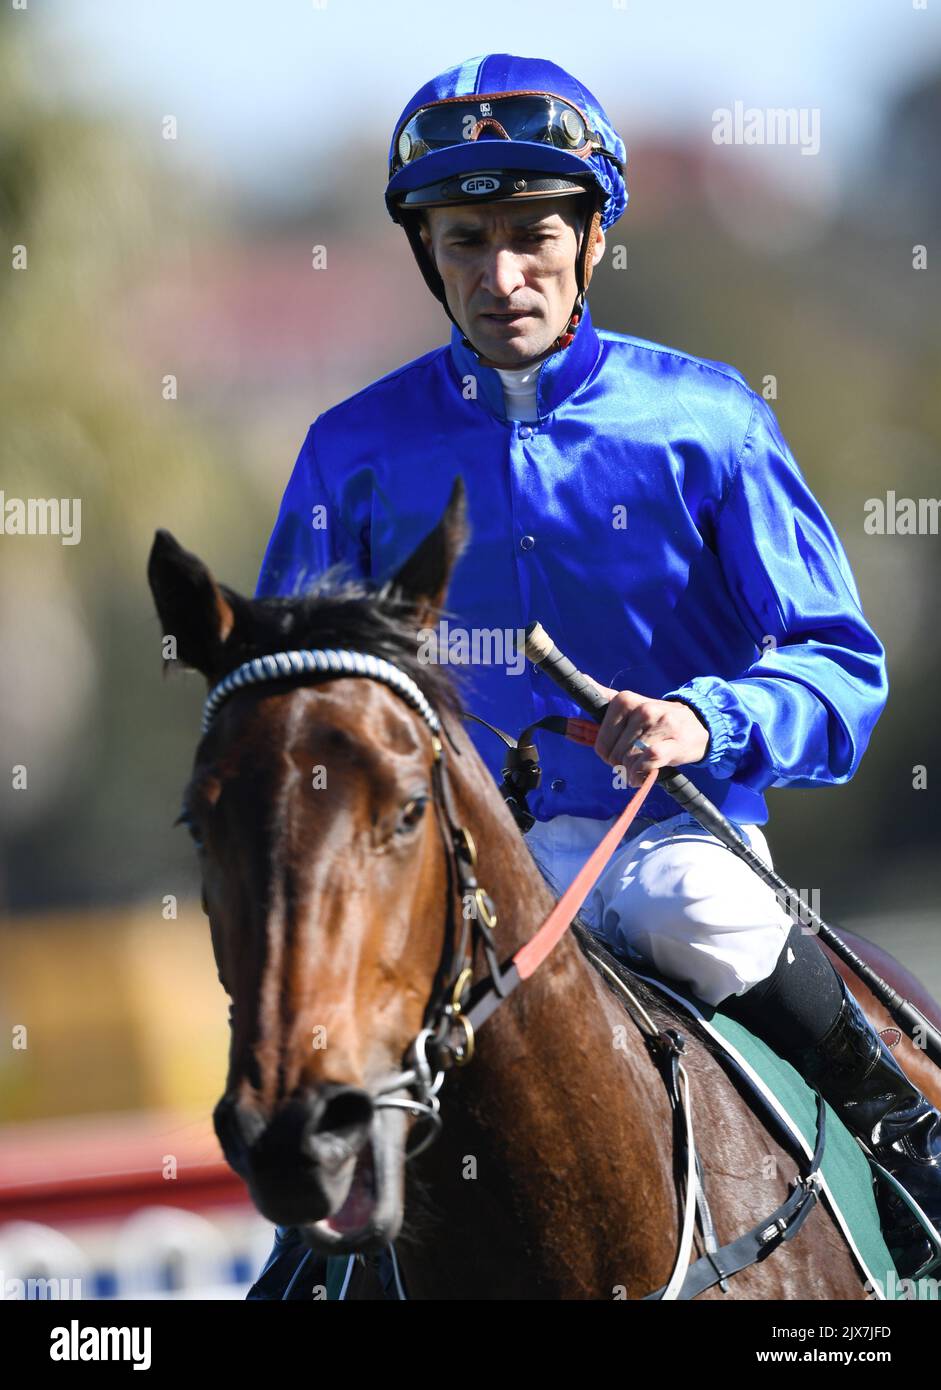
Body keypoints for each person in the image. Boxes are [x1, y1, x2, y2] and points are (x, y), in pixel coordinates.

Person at [250, 53, 940, 1286]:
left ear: (592, 234)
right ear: (427, 250)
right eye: (464, 239)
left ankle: (907, 1141)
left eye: (532, 235)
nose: (500, 274)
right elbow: (298, 697)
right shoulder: (348, 452)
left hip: (677, 841)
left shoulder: (709, 421)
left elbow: (841, 666)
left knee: (696, 911)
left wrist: (697, 719)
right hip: (465, 875)